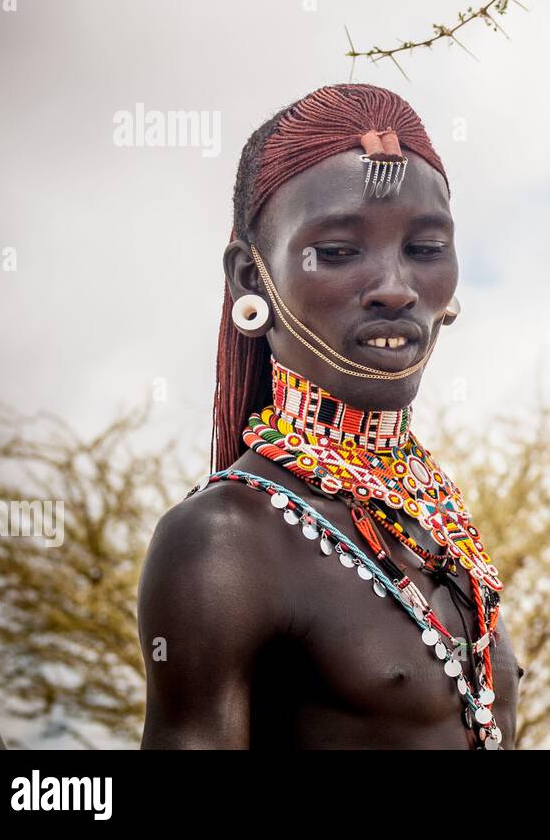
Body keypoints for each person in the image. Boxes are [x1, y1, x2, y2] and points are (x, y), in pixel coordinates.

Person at [137, 83, 521, 749]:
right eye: (339, 251)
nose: (396, 288)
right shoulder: (223, 541)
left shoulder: (439, 527)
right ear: (250, 280)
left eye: (426, 248)